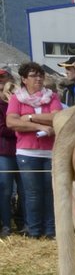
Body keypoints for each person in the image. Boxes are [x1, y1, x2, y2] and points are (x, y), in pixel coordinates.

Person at [4, 62, 62, 238]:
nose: (38, 79)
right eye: (33, 75)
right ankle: (34, 231)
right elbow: (12, 122)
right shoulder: (16, 98)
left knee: (50, 192)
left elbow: (57, 118)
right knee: (32, 193)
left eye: (40, 75)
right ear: (23, 79)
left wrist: (29, 117)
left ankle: (51, 230)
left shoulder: (52, 97)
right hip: (27, 152)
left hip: (50, 151)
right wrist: (39, 125)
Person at [0, 73, 16, 237]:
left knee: (26, 191)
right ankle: (6, 225)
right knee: (5, 190)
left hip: (24, 150)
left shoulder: (20, 103)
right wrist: (23, 127)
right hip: (5, 152)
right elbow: (3, 129)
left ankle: (23, 223)